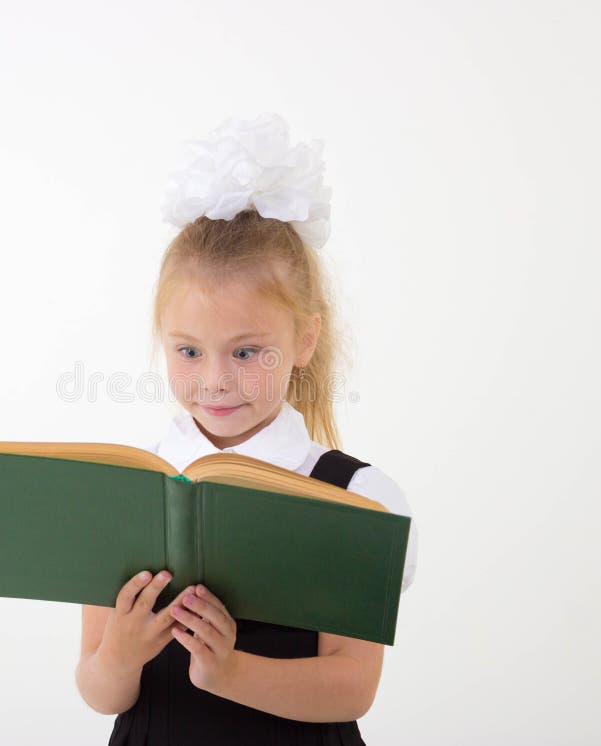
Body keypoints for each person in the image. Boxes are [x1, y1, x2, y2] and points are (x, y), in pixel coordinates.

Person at [75, 113, 419, 745]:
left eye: (245, 352)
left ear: (304, 339)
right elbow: (98, 691)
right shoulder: (127, 488)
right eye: (188, 352)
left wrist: (230, 671)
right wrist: (119, 656)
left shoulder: (358, 498)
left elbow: (354, 686)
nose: (214, 381)